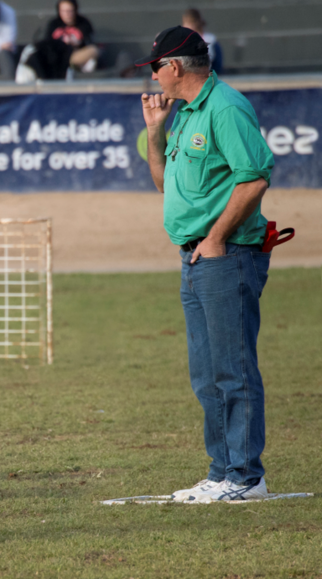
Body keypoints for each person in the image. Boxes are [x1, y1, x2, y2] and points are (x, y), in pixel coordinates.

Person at [137, 26, 275, 503]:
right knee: (207, 376)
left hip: (226, 255)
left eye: (155, 68)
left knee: (234, 372)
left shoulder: (225, 107)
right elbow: (164, 184)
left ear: (173, 67)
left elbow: (255, 177)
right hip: (195, 258)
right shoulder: (186, 114)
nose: (153, 78)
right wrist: (156, 131)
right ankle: (222, 472)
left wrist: (215, 239)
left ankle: (246, 477)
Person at [18, 0, 100, 82]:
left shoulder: (84, 23)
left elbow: (90, 45)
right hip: (58, 58)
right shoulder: (54, 24)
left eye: (70, 11)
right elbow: (48, 45)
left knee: (93, 51)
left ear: (75, 10)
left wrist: (74, 43)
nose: (67, 14)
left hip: (76, 56)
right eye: (63, 11)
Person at [182, 8, 223, 74]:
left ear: (193, 24)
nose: (184, 26)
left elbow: (217, 64)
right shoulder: (185, 41)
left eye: (186, 23)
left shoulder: (210, 40)